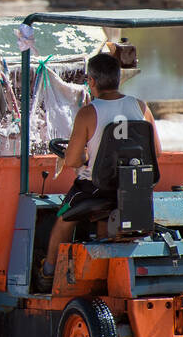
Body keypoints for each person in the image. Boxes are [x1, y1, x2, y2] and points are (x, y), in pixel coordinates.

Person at [38, 51, 163, 292]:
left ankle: (47, 274)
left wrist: (86, 155)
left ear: (91, 82)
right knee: (106, 215)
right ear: (118, 78)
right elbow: (155, 151)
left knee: (64, 218)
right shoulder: (140, 106)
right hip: (134, 187)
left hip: (95, 189)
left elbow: (74, 160)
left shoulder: (88, 113)